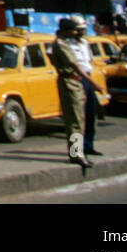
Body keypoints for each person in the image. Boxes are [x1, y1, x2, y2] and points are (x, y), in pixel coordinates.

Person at [52, 17, 94, 169]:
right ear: (66, 30)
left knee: (78, 119)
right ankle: (76, 154)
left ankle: (78, 152)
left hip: (73, 82)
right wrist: (92, 82)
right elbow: (74, 65)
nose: (75, 32)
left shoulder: (65, 43)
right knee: (75, 121)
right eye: (73, 30)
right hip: (69, 82)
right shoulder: (61, 44)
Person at [69, 17, 101, 157]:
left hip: (88, 78)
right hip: (76, 80)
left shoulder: (85, 43)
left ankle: (88, 145)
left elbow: (88, 62)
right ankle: (76, 151)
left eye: (83, 30)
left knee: (90, 114)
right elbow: (75, 66)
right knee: (77, 118)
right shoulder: (67, 45)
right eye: (79, 30)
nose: (81, 33)